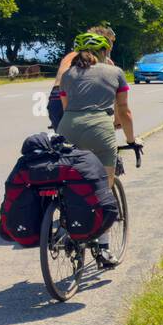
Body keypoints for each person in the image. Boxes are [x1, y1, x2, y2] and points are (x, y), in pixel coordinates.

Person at [57, 31, 136, 266]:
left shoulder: (67, 75)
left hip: (67, 127)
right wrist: (132, 141)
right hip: (100, 129)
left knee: (69, 181)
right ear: (105, 52)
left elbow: (66, 107)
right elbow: (124, 111)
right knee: (103, 189)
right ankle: (103, 248)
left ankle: (66, 229)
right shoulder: (115, 72)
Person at [48, 24, 117, 131]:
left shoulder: (69, 56)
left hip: (55, 100)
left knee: (65, 142)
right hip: (80, 104)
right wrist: (117, 121)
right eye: (108, 50)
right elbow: (117, 98)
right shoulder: (105, 62)